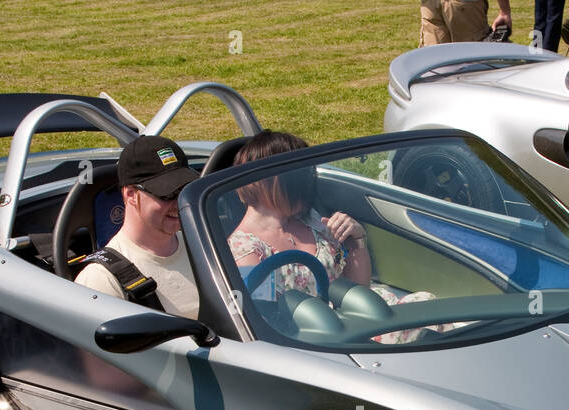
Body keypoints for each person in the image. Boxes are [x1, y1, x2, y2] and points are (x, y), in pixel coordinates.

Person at [227, 131, 450, 344]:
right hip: (331, 339)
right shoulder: (246, 252)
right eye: (297, 175)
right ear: (262, 182)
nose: (307, 182)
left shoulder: (310, 220)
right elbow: (270, 329)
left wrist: (356, 240)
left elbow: (358, 286)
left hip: (362, 315)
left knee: (433, 312)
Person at [74, 135, 200, 319]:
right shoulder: (101, 280)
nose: (178, 203)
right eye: (167, 194)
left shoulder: (201, 246)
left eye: (184, 190)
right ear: (131, 194)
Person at [420, 0, 511, 45]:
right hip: (463, 5)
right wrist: (505, 11)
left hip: (430, 6)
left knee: (434, 62)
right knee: (476, 60)